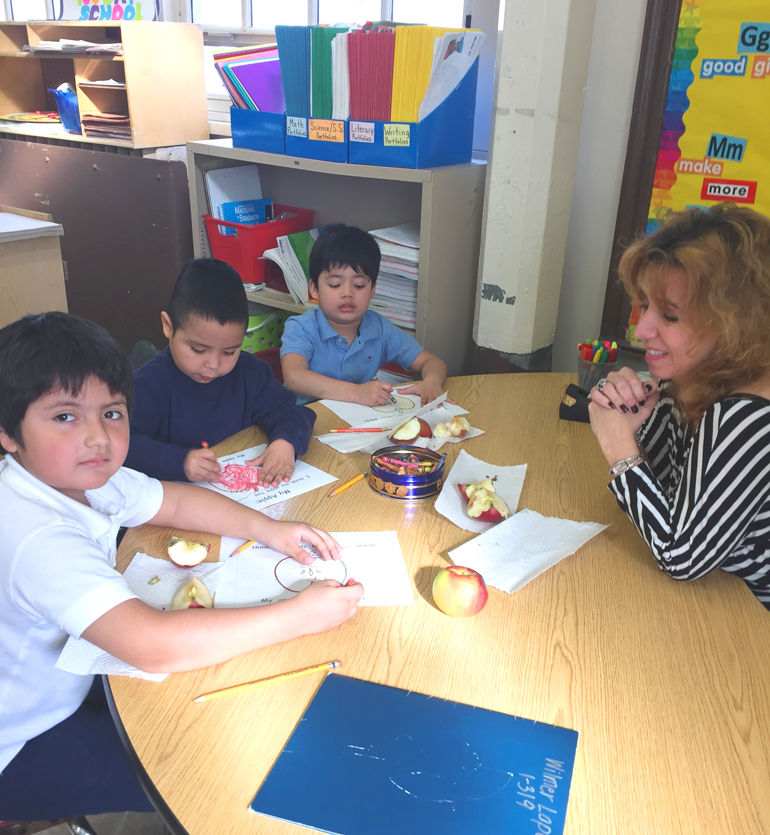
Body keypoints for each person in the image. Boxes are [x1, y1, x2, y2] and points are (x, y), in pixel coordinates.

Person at [0, 312, 363, 819]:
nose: (98, 438)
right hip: (21, 743)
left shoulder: (79, 477)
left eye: (112, 413)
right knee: (201, 770)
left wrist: (269, 530)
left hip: (67, 677)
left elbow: (171, 501)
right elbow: (152, 646)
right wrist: (302, 616)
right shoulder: (37, 535)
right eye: (65, 416)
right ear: (8, 433)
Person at [588, 204, 770, 609]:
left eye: (669, 315)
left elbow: (682, 557)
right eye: (645, 305)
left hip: (746, 615)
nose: (641, 330)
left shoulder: (748, 417)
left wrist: (620, 449)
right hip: (718, 594)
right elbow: (674, 490)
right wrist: (641, 424)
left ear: (736, 324)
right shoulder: (695, 380)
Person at [125, 258, 314, 487]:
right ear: (168, 326)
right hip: (176, 501)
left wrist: (286, 443)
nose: (213, 365)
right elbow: (125, 446)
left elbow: (289, 412)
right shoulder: (147, 385)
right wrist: (180, 462)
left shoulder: (251, 373)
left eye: (229, 351)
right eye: (198, 349)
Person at [280, 224, 447, 406]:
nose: (347, 293)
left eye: (359, 285)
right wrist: (356, 393)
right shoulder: (302, 327)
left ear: (372, 289)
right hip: (300, 420)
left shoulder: (379, 328)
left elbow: (432, 362)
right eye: (335, 284)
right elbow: (294, 377)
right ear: (314, 289)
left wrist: (432, 381)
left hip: (355, 423)